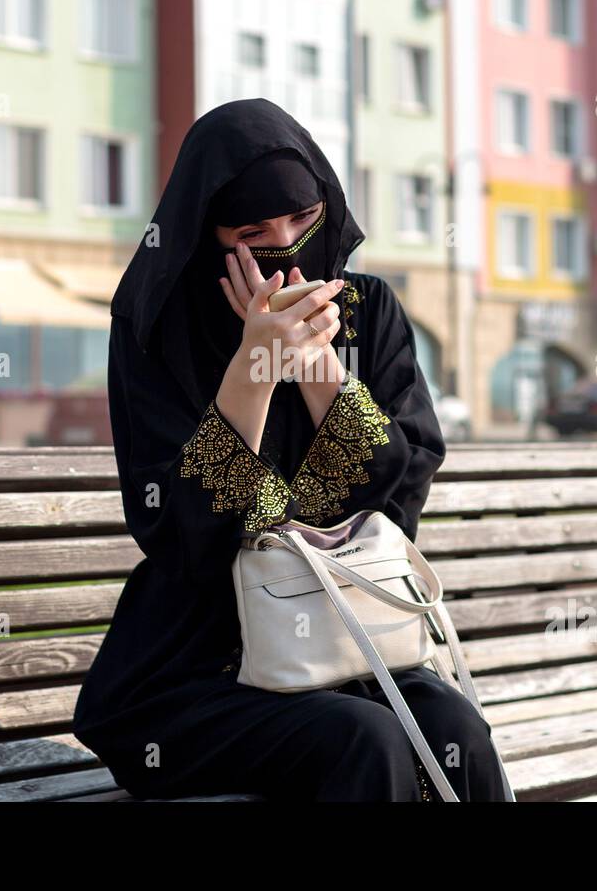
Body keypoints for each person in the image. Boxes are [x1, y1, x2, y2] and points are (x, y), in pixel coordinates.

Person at [72, 98, 511, 802]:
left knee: (457, 734)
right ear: (207, 235)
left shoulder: (370, 312)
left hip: (351, 648)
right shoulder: (158, 328)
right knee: (364, 742)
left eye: (304, 221)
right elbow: (183, 536)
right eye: (253, 232)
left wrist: (318, 369)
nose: (286, 245)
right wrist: (253, 368)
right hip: (198, 670)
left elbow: (395, 504)